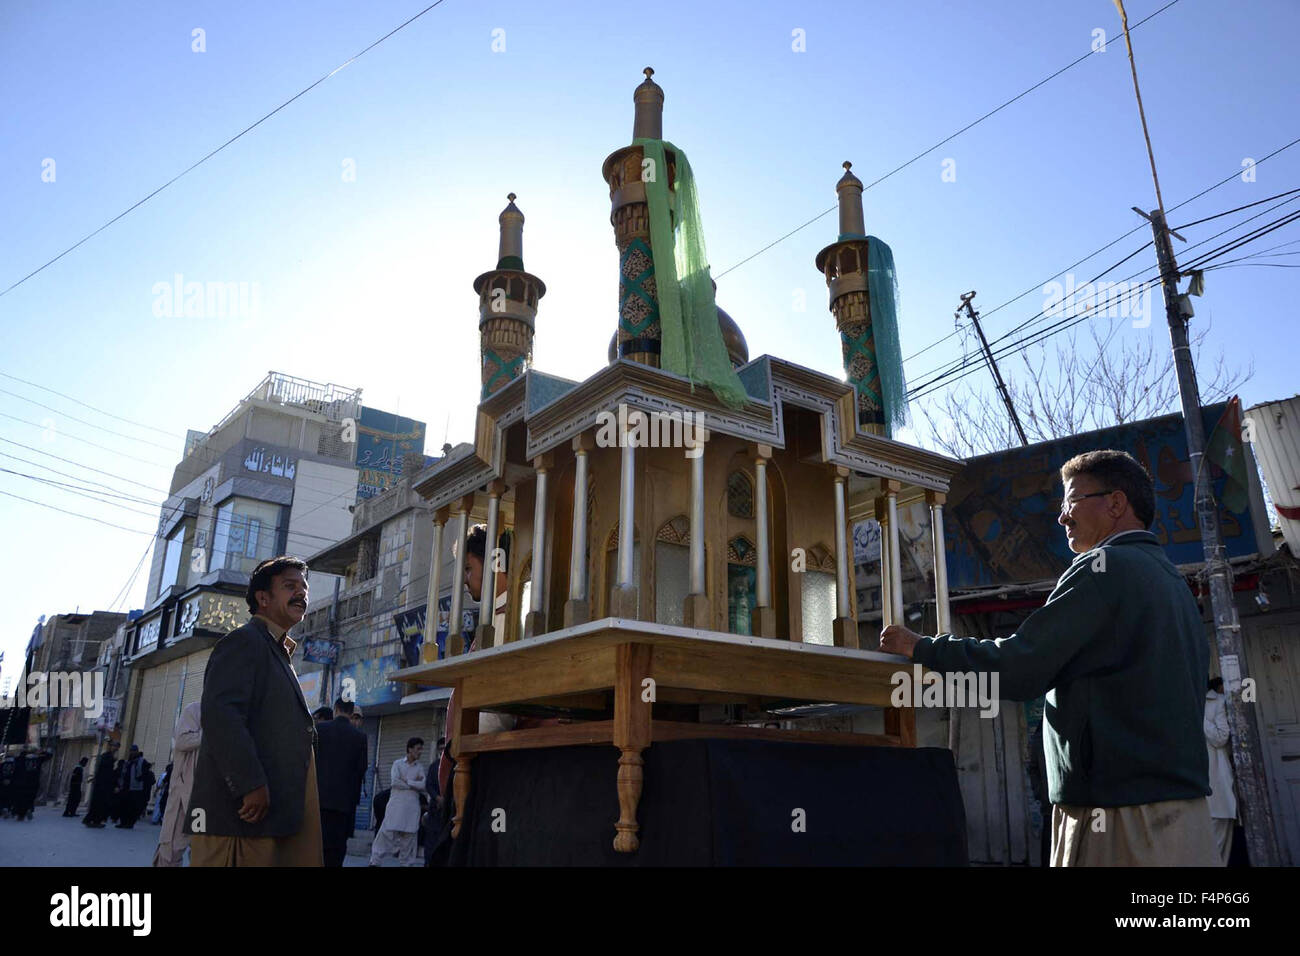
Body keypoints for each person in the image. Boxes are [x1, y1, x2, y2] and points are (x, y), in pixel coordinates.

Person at [881, 449, 1217, 866]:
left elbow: (1019, 667)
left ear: (1116, 503)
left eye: (1072, 501)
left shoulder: (1105, 566)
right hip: (1181, 814)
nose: (1062, 517)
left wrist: (923, 647)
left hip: (1118, 817)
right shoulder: (1170, 579)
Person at [186, 556, 323, 867]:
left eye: (304, 587)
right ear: (263, 598)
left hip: (270, 819)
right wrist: (249, 784)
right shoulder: (244, 642)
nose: (301, 594)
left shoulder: (275, 648)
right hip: (238, 819)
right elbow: (222, 716)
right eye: (290, 587)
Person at [315, 697, 368, 867]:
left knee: (316, 848)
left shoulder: (320, 730)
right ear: (351, 712)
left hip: (318, 802)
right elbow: (361, 769)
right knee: (336, 851)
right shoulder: (359, 737)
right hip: (343, 806)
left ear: (335, 709)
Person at [153, 701, 201, 866]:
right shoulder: (195, 710)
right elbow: (182, 741)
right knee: (171, 847)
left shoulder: (227, 715)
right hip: (183, 796)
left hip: (201, 803)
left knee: (200, 846)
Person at [369, 737, 425, 867]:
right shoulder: (398, 764)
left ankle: (406, 864)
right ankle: (375, 862)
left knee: (409, 838)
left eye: (422, 749)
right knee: (385, 835)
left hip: (412, 809)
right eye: (418, 749)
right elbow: (395, 781)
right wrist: (413, 784)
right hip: (396, 807)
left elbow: (423, 785)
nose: (421, 751)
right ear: (410, 749)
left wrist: (407, 781)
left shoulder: (420, 767)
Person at [1205, 676, 1237, 865]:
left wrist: (1200, 720)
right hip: (1200, 779)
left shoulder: (1217, 703)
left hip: (1216, 776)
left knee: (1218, 835)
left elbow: (1220, 738)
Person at [82, 742, 118, 827]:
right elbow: (104, 769)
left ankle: (95, 820)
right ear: (111, 747)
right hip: (102, 783)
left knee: (100, 803)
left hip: (104, 783)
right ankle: (93, 820)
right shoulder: (107, 756)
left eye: (117, 747)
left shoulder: (109, 756)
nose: (115, 748)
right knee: (98, 802)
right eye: (114, 746)